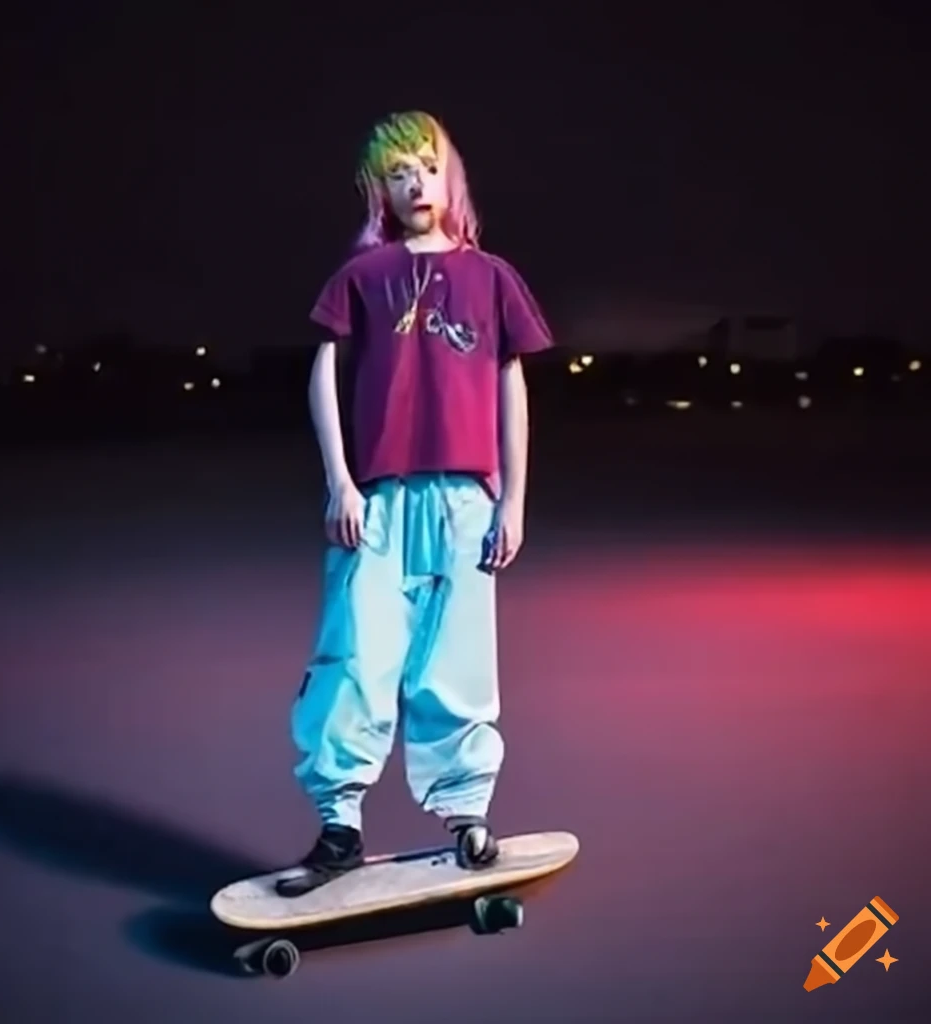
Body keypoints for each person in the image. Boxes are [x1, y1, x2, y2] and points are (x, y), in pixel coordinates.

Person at [276, 111, 553, 897]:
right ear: (380, 190)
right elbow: (322, 373)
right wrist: (340, 481)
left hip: (466, 499)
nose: (415, 184)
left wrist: (513, 501)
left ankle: (466, 813)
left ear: (447, 175)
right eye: (398, 173)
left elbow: (511, 386)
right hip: (379, 499)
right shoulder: (363, 276)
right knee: (354, 656)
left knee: (456, 660)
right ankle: (339, 825)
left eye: (426, 167)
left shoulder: (491, 277)